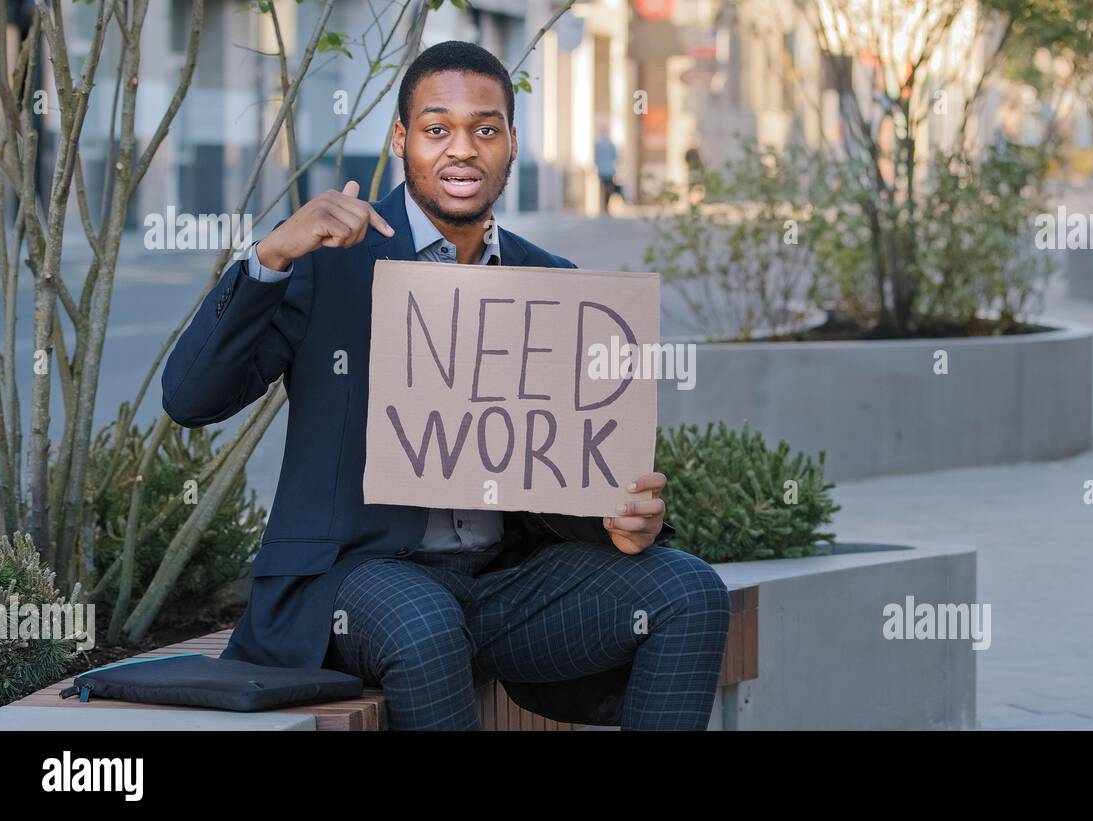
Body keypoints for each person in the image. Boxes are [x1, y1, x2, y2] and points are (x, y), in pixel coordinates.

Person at [161, 41, 730, 730]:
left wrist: (623, 519)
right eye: (438, 129)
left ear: (512, 142)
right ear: (403, 137)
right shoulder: (326, 262)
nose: (462, 149)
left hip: (500, 587)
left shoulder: (551, 281)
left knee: (690, 589)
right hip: (355, 581)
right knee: (423, 619)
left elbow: (560, 462)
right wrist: (271, 254)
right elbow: (190, 398)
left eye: (485, 129)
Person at [594, 127, 622, 214]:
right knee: (609, 188)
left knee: (603, 188)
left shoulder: (599, 145)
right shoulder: (611, 144)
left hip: (602, 170)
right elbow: (616, 157)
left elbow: (596, 158)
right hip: (609, 170)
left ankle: (604, 206)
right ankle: (606, 206)